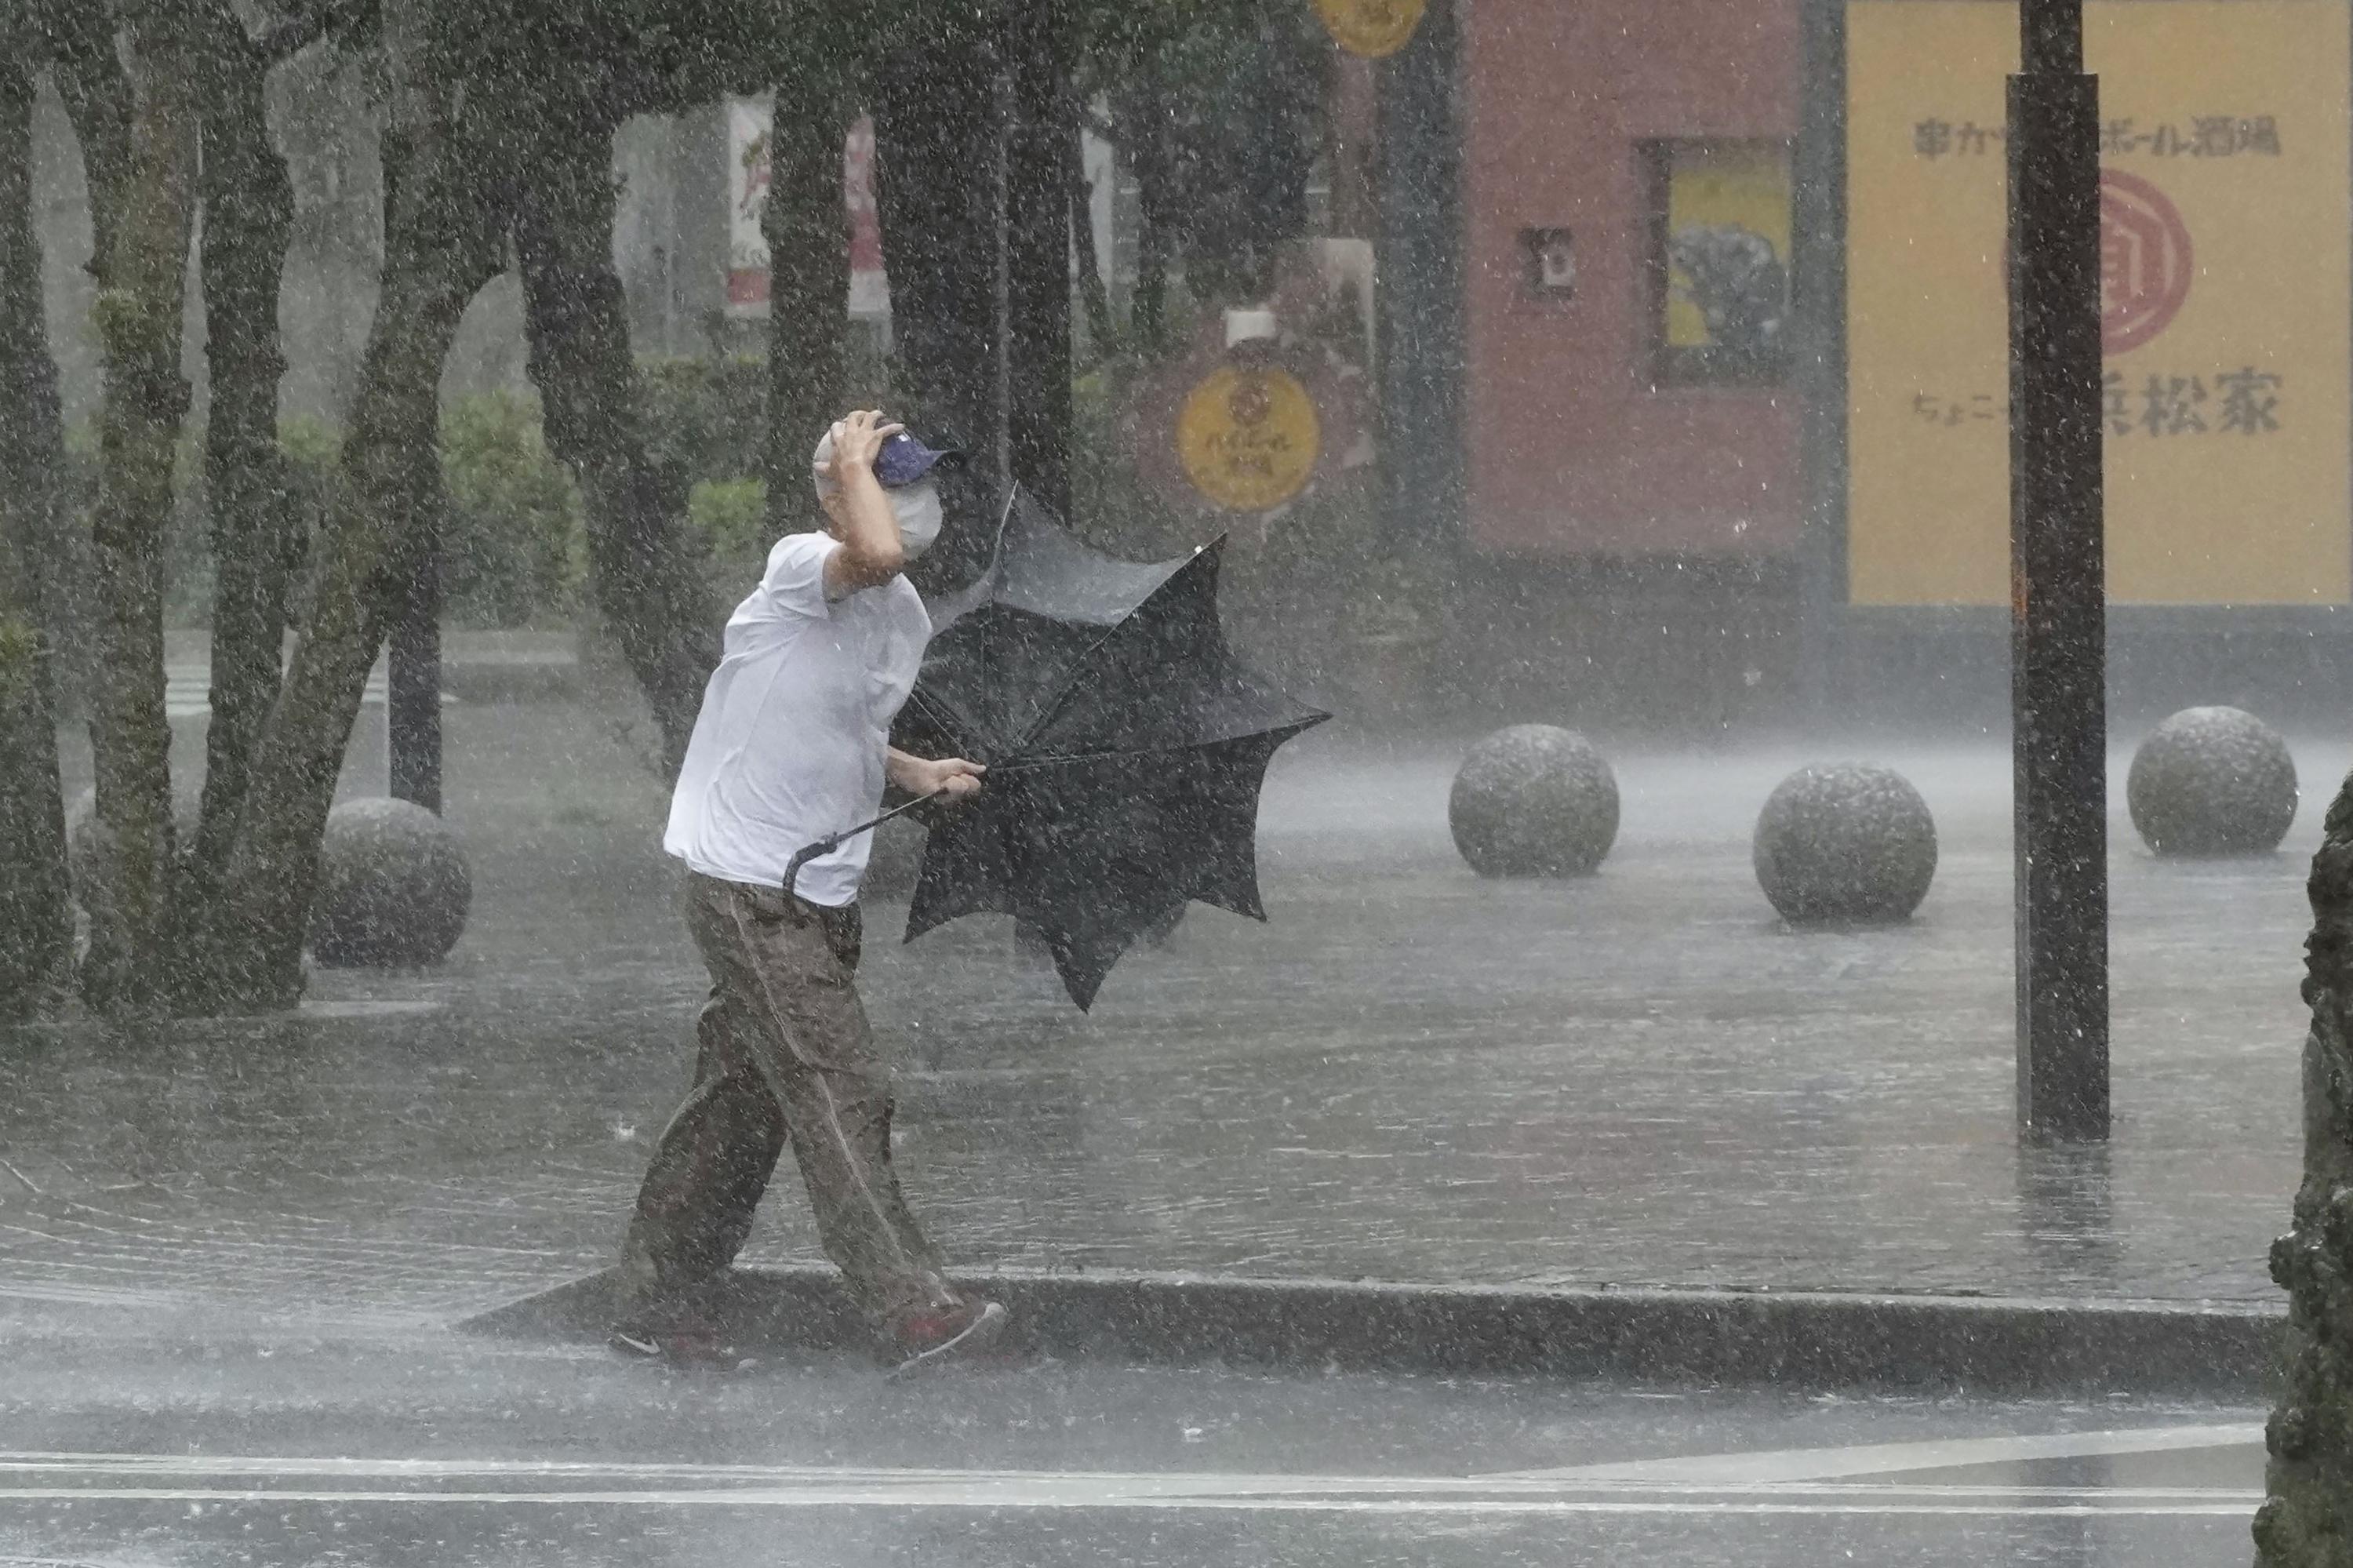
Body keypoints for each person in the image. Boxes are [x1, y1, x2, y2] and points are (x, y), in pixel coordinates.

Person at [610, 409, 1002, 1374]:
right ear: (833, 496)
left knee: (742, 1103)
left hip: (818, 890)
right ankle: (911, 1307)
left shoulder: (899, 615)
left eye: (917, 480)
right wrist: (850, 467)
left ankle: (657, 1302)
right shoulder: (801, 567)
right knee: (839, 1082)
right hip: (749, 885)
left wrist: (913, 773)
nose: (913, 503)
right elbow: (867, 549)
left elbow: (843, 721)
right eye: (886, 478)